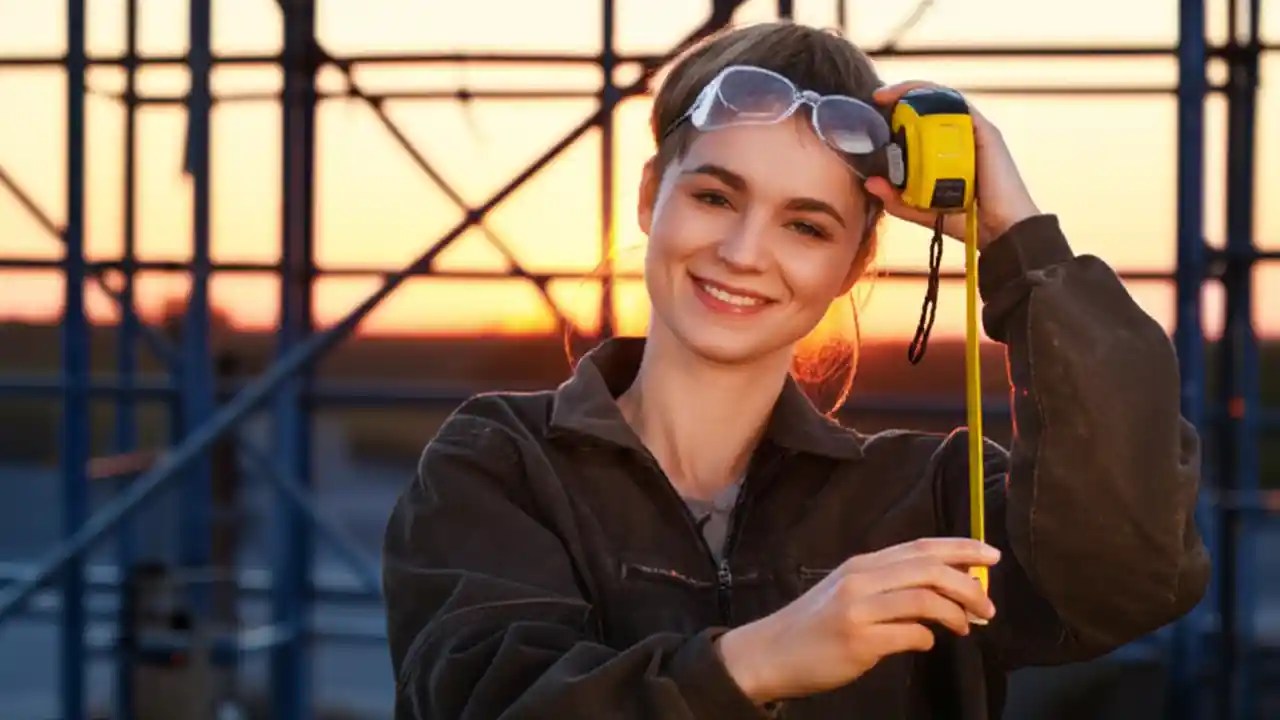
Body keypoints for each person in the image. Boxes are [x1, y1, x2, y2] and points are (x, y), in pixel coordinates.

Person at [381, 20, 1210, 720]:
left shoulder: (929, 498)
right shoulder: (501, 464)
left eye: (806, 227)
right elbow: (483, 699)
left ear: (853, 264)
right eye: (715, 197)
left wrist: (1017, 237)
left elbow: (1130, 577)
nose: (743, 254)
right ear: (648, 196)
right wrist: (762, 660)